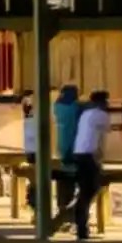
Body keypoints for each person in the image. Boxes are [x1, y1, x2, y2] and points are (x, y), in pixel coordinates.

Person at [71, 90, 110, 241]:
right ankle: (81, 227)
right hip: (89, 155)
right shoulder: (102, 116)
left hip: (79, 153)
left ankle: (81, 225)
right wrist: (101, 160)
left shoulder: (86, 114)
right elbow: (104, 140)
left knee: (84, 191)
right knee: (89, 191)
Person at [52, 85, 82, 215]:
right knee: (76, 182)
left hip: (58, 152)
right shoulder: (77, 108)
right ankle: (69, 213)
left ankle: (62, 209)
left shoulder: (56, 107)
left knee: (62, 181)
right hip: (74, 151)